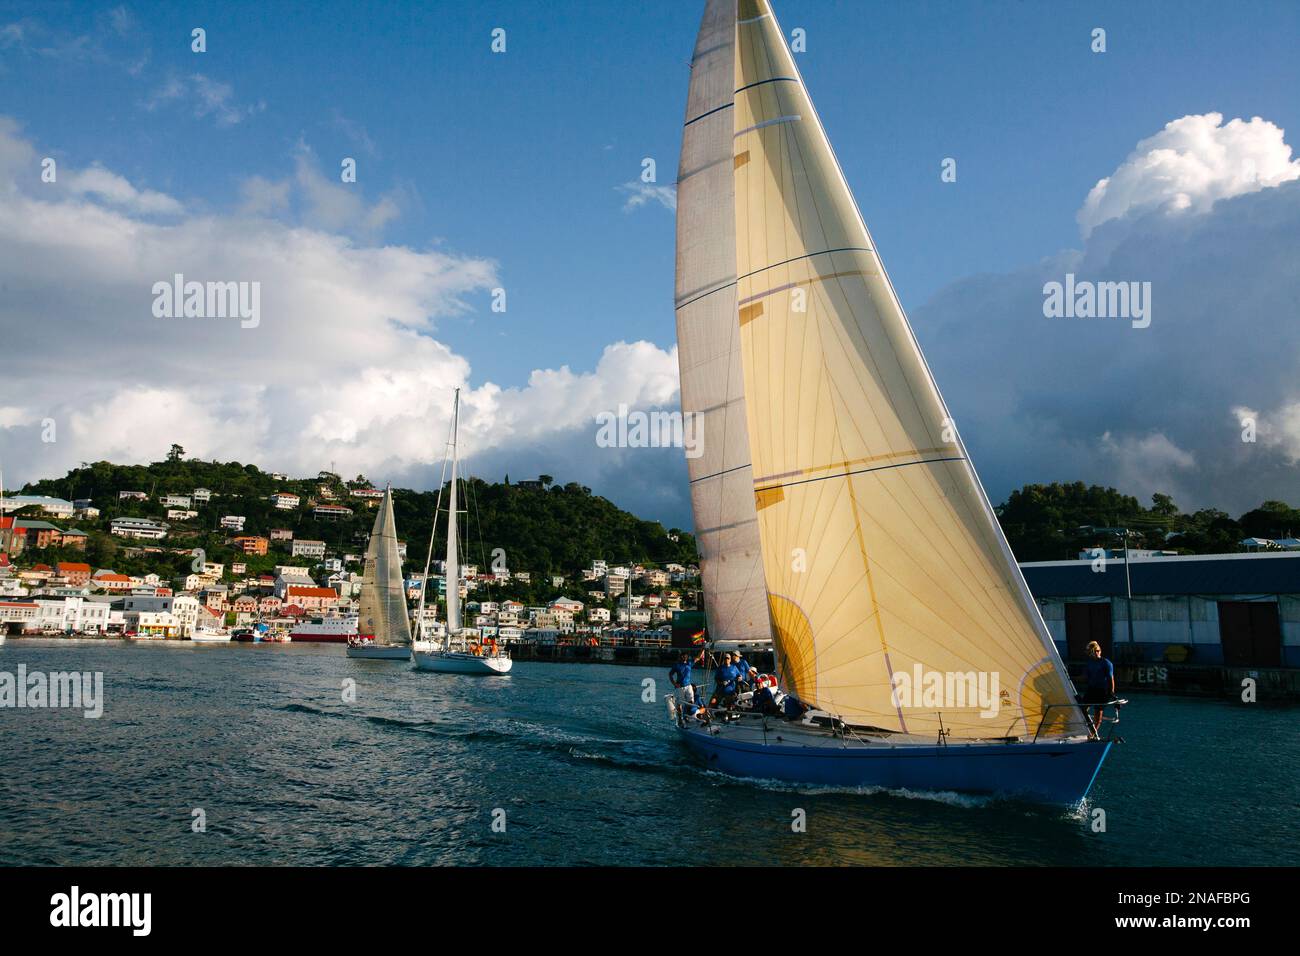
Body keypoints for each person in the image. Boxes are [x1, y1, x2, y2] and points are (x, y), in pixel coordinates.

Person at [1083, 640, 1115, 738]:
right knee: (1082, 709)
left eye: (1098, 650)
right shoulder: (1089, 663)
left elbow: (1111, 678)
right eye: (1094, 651)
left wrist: (1111, 692)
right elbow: (1086, 677)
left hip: (1102, 691)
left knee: (1098, 711)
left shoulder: (1106, 663)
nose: (1096, 653)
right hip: (1092, 689)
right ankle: (1082, 729)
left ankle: (1093, 733)